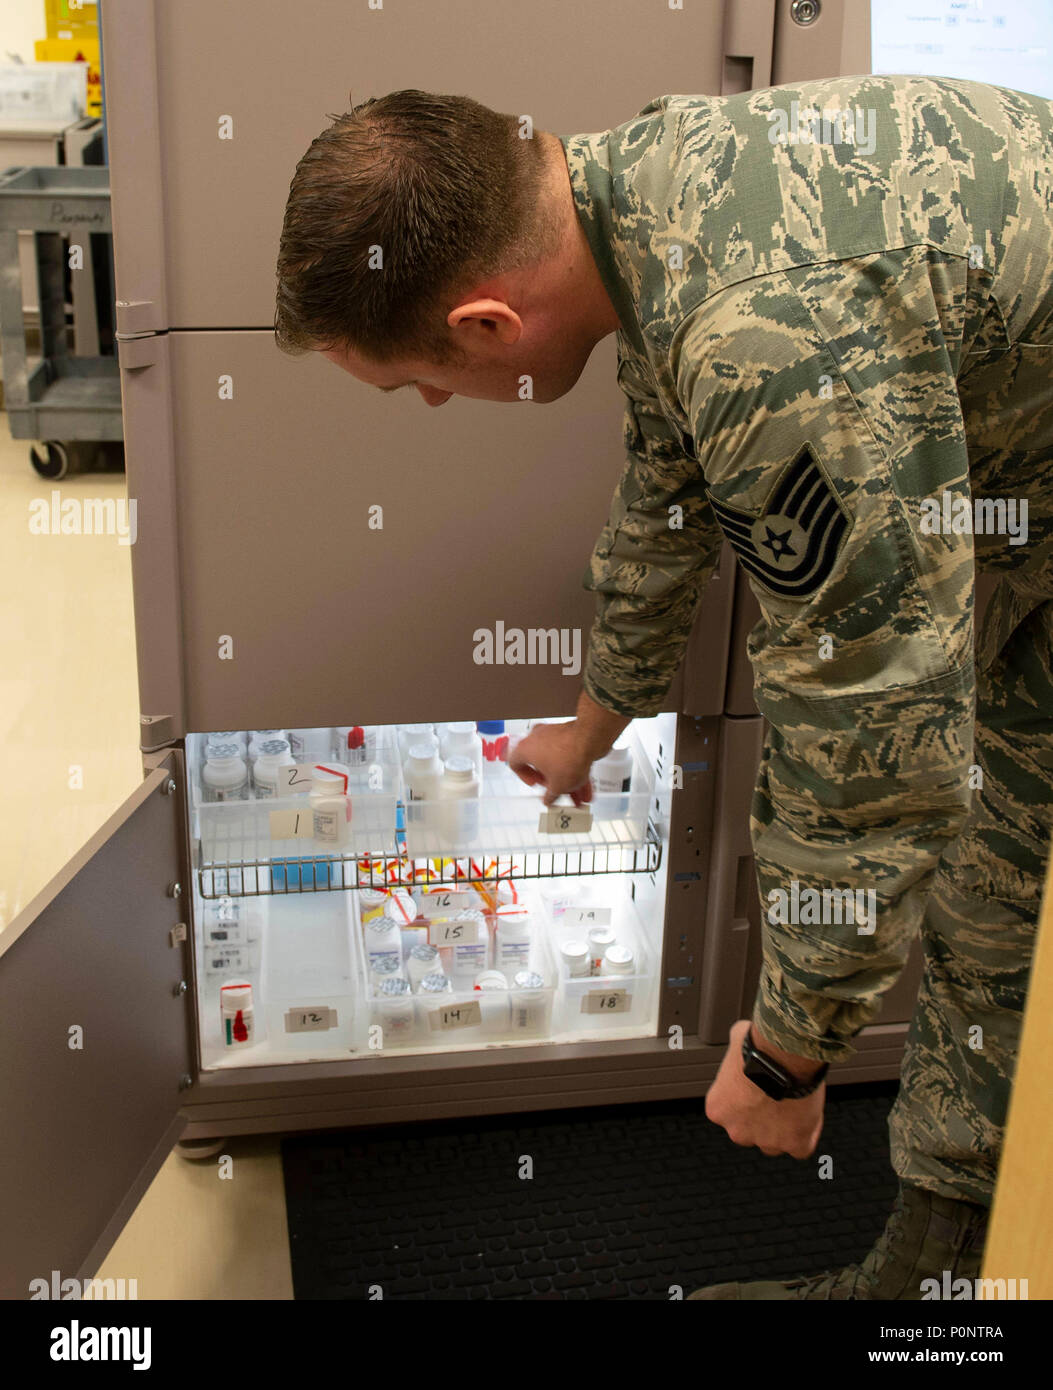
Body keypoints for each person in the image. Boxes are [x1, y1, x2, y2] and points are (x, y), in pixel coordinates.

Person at [275, 76, 1053, 1299]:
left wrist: (792, 1055)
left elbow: (873, 732)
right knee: (1002, 896)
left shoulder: (760, 332)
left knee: (1000, 889)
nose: (432, 405)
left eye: (415, 381)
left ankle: (940, 1288)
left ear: (485, 323)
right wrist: (592, 726)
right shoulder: (638, 194)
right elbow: (670, 492)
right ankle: (940, 1277)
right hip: (1027, 506)